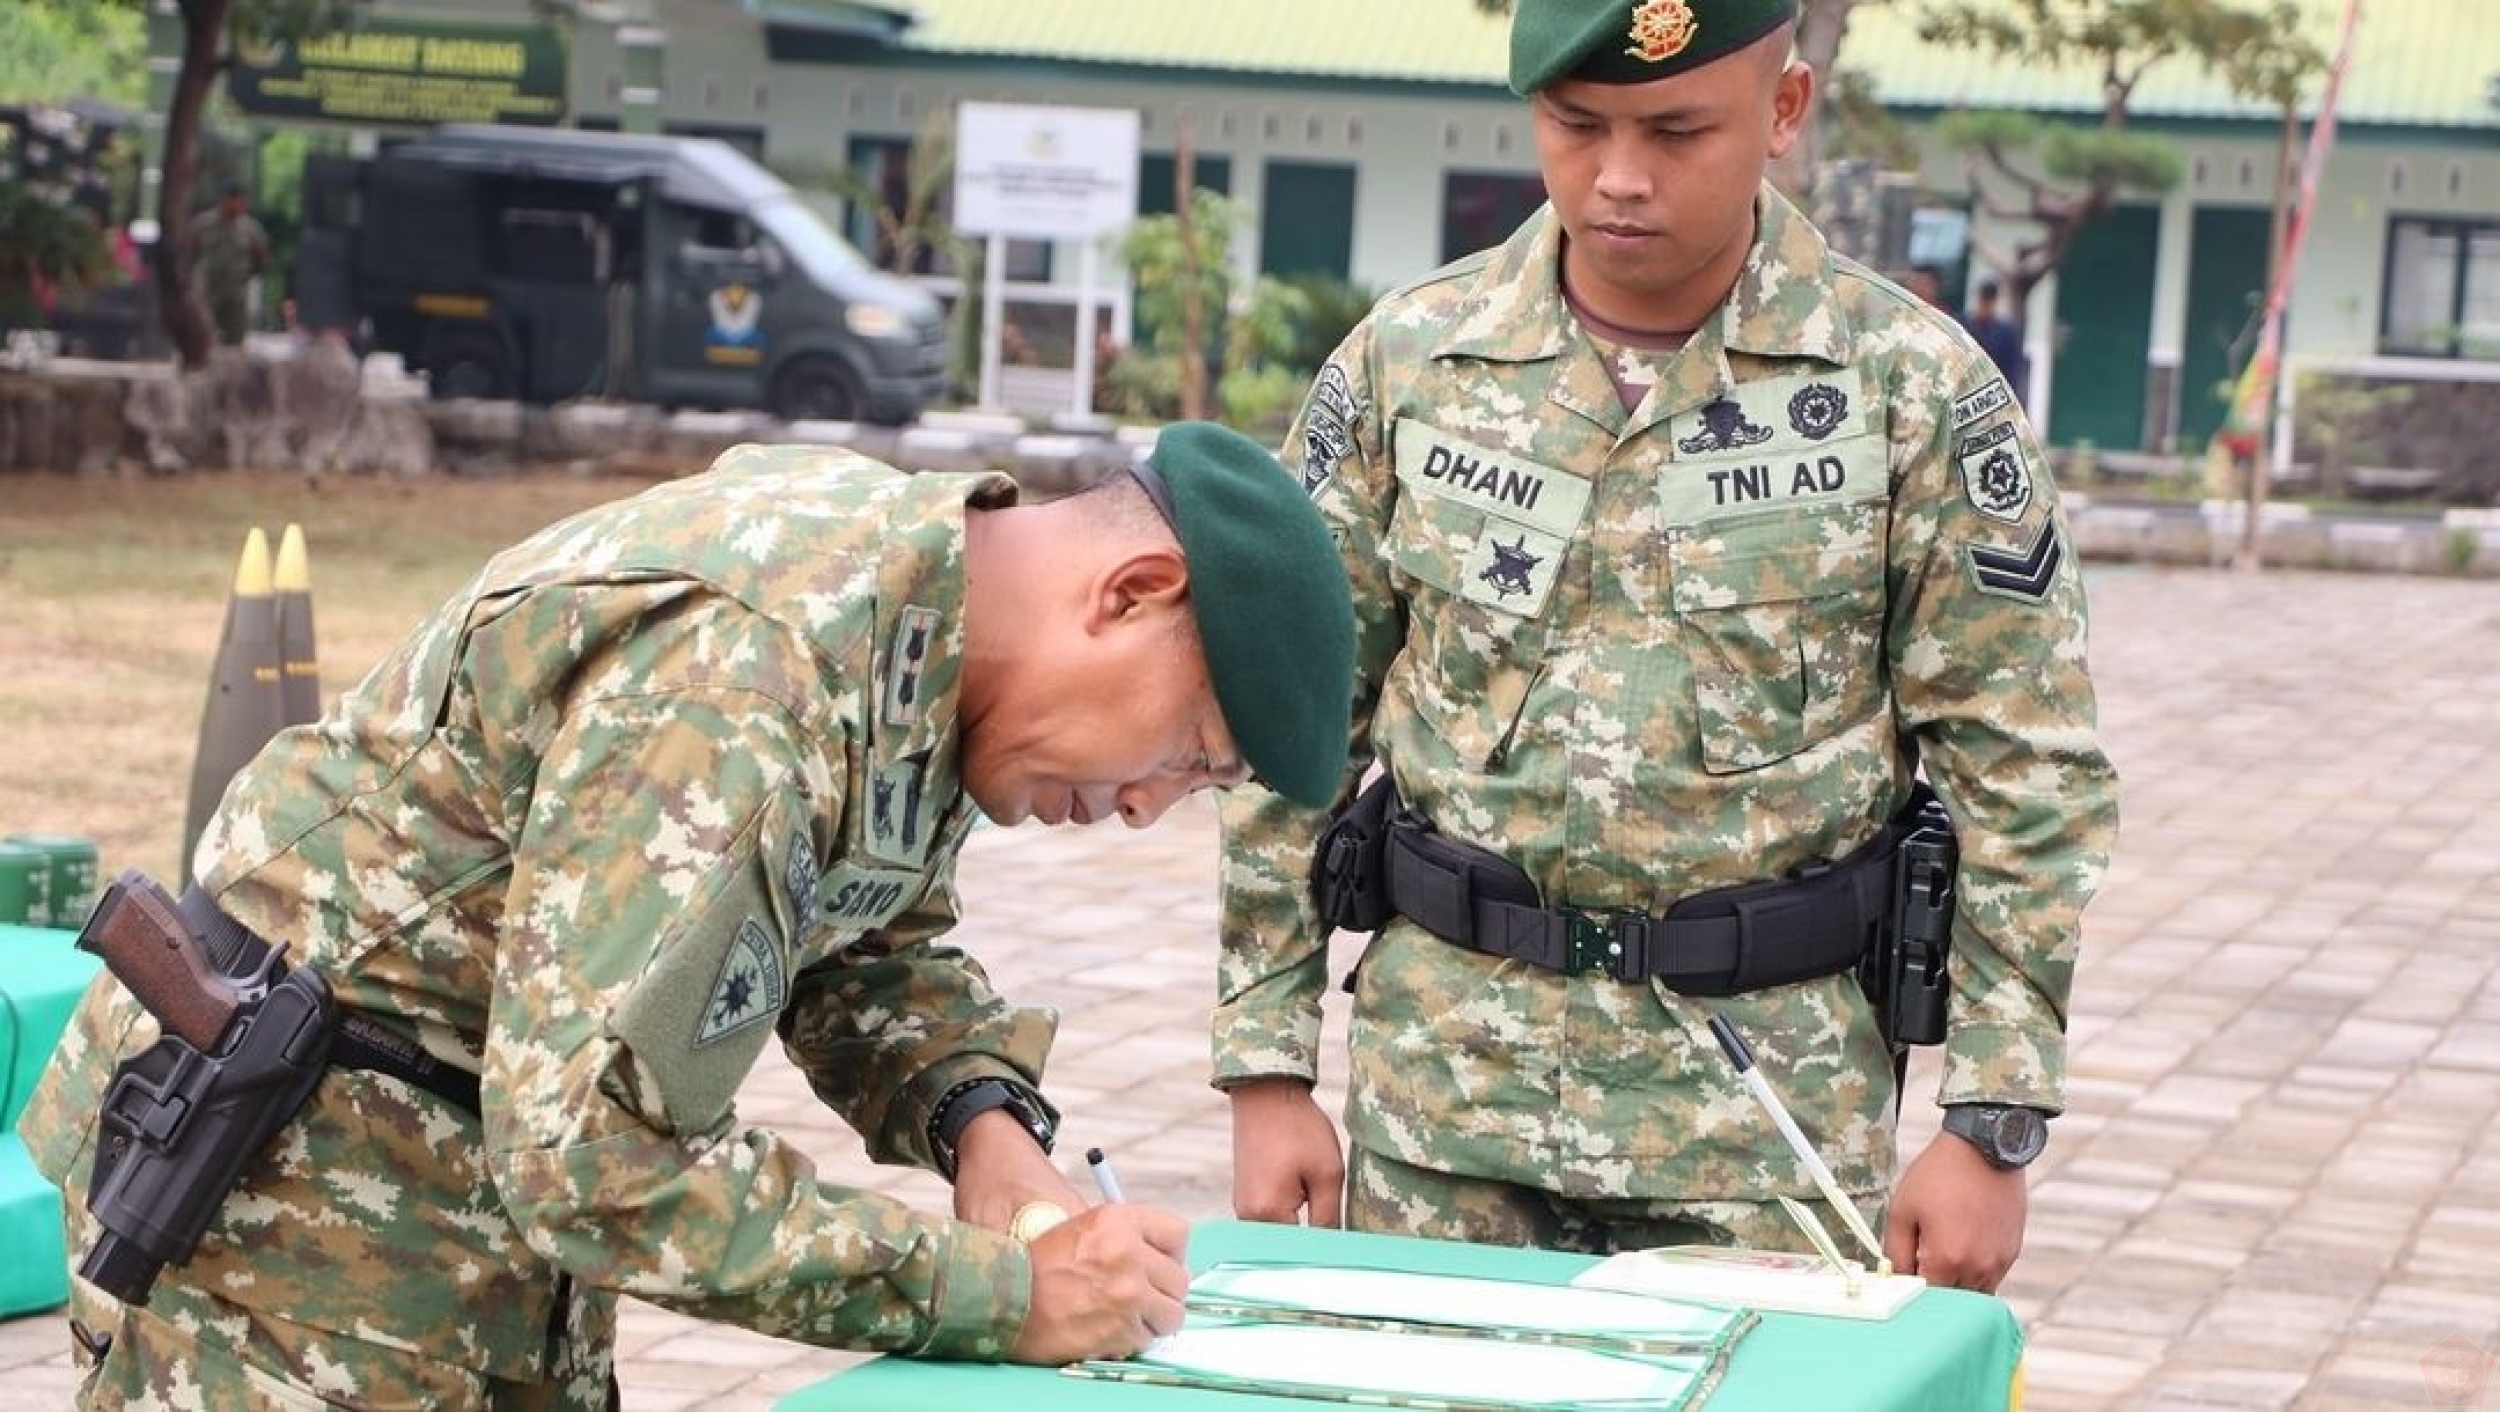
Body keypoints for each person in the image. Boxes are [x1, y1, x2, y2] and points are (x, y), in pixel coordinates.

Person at [21, 420, 1356, 1408]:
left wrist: (979, 1122)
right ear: (1130, 596)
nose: (1143, 807)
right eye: (1188, 753)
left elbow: (863, 928)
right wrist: (1005, 1296)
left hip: (460, 1214)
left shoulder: (923, 613)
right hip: (287, 1237)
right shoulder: (742, 674)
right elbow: (595, 1168)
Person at [1212, 0, 2118, 1296]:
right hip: (1447, 1115)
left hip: (1764, 1133)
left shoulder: (1906, 391)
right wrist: (1267, 1063)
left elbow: (2026, 766)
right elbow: (1290, 723)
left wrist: (1993, 1121)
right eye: (1577, 127)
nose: (1619, 178)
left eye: (1677, 130)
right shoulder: (1413, 364)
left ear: (1785, 112)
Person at [185, 182, 268, 346]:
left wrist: (249, 277)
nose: (239, 205)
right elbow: (190, 253)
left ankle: (230, 370)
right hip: (208, 292)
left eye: (242, 201)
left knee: (235, 340)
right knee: (203, 337)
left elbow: (260, 257)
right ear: (224, 200)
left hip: (236, 294)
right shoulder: (202, 225)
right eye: (235, 200)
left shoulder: (251, 229)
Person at [1964, 278, 2031, 408]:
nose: (1985, 306)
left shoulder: (2005, 332)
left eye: (1988, 302)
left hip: (1994, 390)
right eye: (1983, 301)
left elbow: (2011, 370)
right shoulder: (1966, 325)